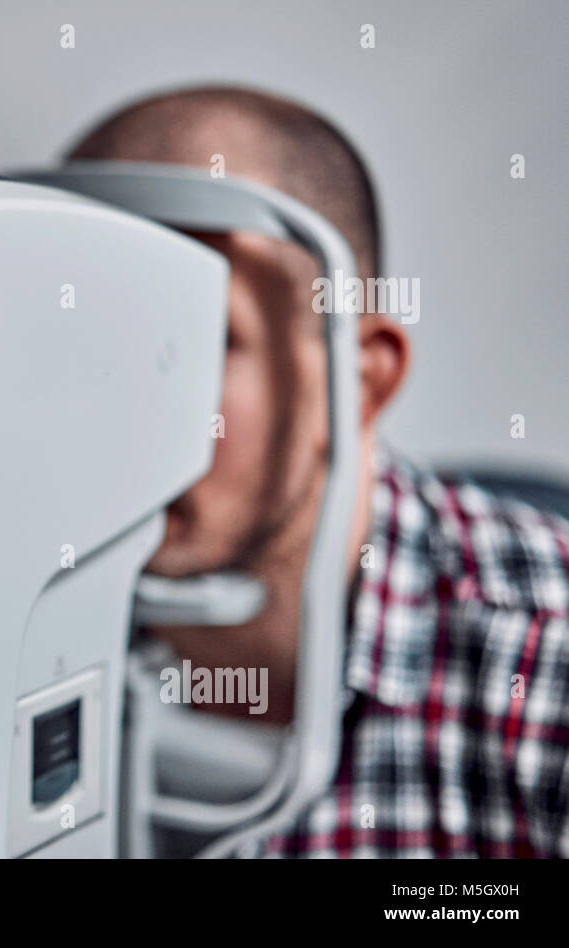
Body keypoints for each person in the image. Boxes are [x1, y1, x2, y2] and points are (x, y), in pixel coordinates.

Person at [68, 85, 569, 857]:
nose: (113, 408)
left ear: (358, 381)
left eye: (193, 338)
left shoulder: (544, 663)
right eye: (83, 343)